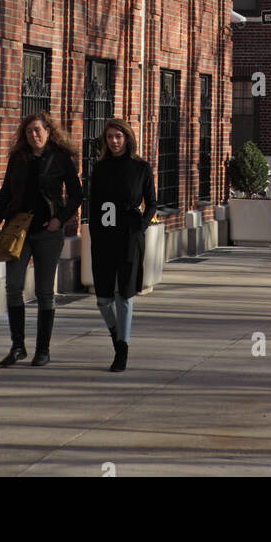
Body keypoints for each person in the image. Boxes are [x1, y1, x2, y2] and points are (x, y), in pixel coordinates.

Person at [0, 111, 82, 368]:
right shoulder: (18, 158)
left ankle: (43, 349)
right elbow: (5, 194)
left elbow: (76, 195)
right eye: (29, 132)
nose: (33, 135)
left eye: (38, 130)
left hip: (47, 232)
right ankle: (17, 346)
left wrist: (60, 219)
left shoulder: (61, 158)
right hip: (18, 230)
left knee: (44, 291)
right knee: (13, 286)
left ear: (48, 131)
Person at [89, 117, 157, 372]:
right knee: (103, 299)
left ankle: (123, 348)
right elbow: (93, 204)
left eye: (119, 136)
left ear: (127, 138)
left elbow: (151, 202)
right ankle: (116, 336)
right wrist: (94, 234)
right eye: (110, 137)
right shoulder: (100, 168)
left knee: (124, 295)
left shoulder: (140, 168)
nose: (114, 141)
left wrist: (141, 226)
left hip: (129, 237)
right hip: (104, 238)